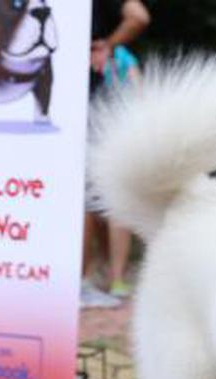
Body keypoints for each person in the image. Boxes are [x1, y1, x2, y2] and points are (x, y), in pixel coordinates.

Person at [82, 0, 149, 309]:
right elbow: (138, 92)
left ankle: (83, 278)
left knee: (87, 205)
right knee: (111, 203)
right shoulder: (122, 55)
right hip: (112, 126)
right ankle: (117, 278)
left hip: (76, 112)